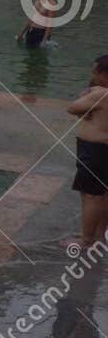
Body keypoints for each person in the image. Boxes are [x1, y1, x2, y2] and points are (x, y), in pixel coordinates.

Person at [66, 55, 108, 247]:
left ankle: (85, 240)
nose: (92, 74)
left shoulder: (100, 94)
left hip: (94, 151)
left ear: (104, 75)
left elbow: (73, 108)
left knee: (90, 196)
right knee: (104, 194)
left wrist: (89, 91)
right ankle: (100, 235)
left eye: (95, 71)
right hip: (103, 151)